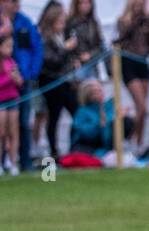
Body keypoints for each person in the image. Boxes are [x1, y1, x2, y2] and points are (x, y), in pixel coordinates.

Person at [1, 0, 42, 171]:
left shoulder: (25, 22)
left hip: (22, 81)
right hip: (3, 85)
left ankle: (23, 161)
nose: (15, 5)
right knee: (2, 129)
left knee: (22, 123)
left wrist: (30, 73)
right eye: (11, 1)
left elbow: (36, 48)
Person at [37, 2, 78, 160]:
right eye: (60, 20)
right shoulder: (45, 37)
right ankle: (53, 152)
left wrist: (73, 60)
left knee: (76, 112)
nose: (63, 23)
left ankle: (74, 148)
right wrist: (66, 48)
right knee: (54, 116)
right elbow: (50, 61)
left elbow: (65, 58)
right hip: (51, 81)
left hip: (65, 81)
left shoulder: (63, 35)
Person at [116, 0, 149, 152]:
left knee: (143, 109)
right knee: (141, 106)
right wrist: (134, 21)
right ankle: (131, 139)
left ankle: (138, 143)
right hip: (129, 62)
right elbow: (121, 37)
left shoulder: (148, 20)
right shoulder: (123, 20)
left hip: (143, 61)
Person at [69, 76, 130, 152]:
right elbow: (86, 134)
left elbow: (110, 121)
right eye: (96, 92)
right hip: (88, 146)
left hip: (105, 144)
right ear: (88, 96)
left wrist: (118, 116)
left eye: (100, 90)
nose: (100, 94)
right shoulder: (82, 112)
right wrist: (101, 123)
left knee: (126, 121)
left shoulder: (108, 106)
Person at [65, 0, 104, 82]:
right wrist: (73, 60)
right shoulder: (69, 23)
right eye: (81, 3)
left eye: (87, 3)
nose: (84, 6)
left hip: (92, 64)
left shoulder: (94, 23)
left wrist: (90, 55)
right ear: (76, 5)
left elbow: (101, 46)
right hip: (75, 66)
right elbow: (63, 47)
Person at [0, 32, 21, 174]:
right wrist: (9, 78)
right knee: (1, 133)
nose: (10, 49)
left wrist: (17, 79)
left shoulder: (12, 62)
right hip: (1, 101)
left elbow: (20, 82)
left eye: (11, 46)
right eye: (7, 46)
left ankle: (13, 163)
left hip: (13, 99)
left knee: (13, 132)